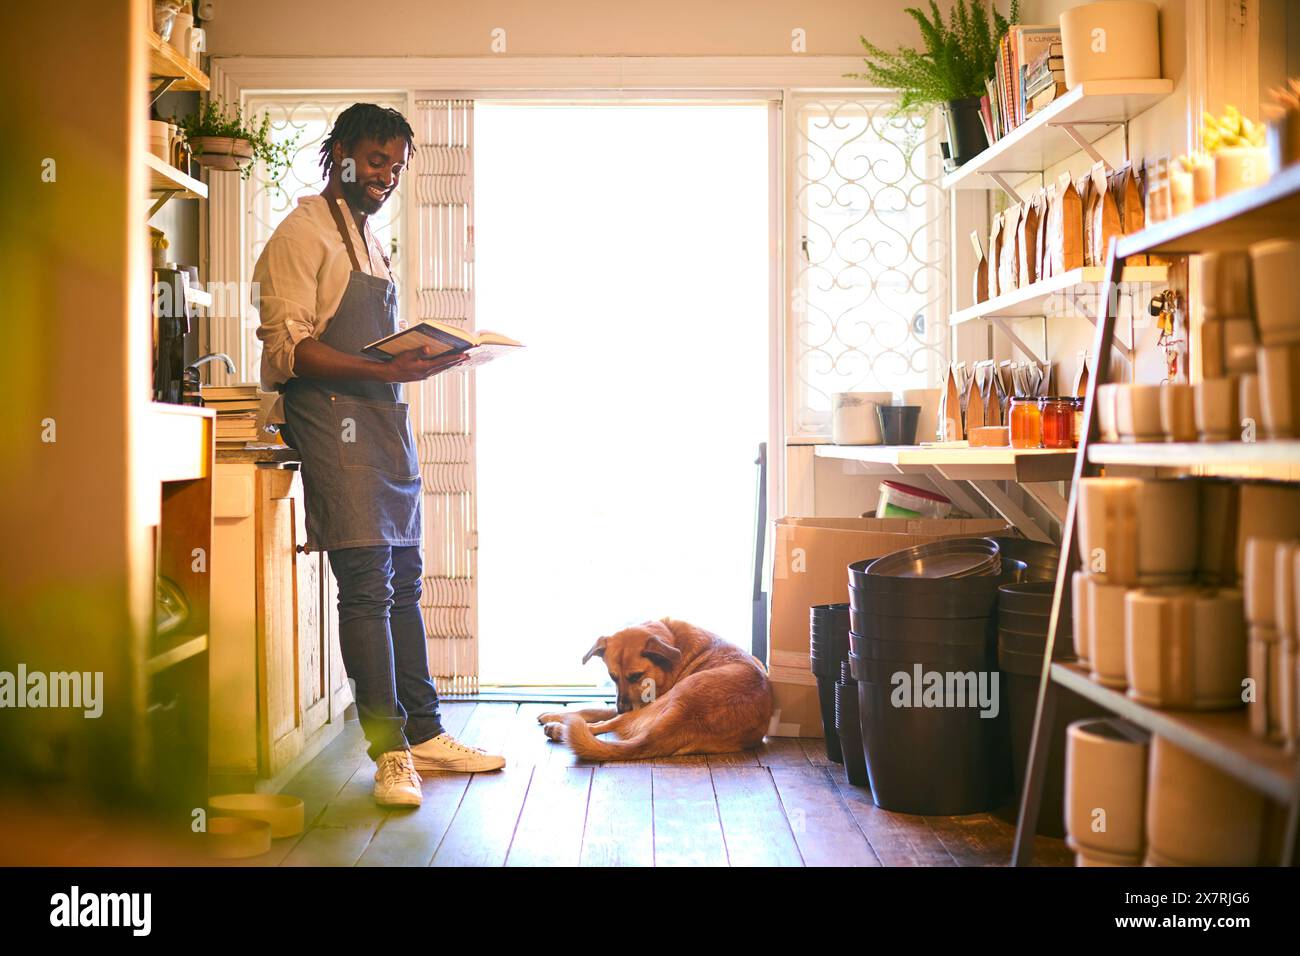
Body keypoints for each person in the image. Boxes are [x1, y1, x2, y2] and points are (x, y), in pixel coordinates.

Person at [252, 103, 504, 808]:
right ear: (338, 153)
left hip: (383, 425)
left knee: (404, 582)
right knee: (366, 584)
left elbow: (364, 340)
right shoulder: (302, 235)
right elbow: (287, 350)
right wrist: (390, 371)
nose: (385, 177)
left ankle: (424, 732)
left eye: (395, 165)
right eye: (374, 161)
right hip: (334, 426)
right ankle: (388, 753)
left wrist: (422, 358)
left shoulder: (368, 238)